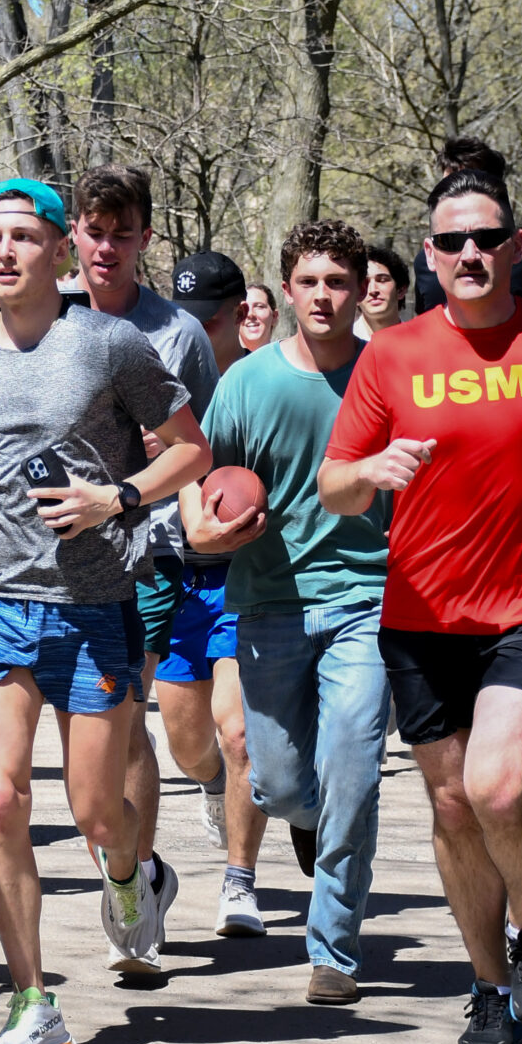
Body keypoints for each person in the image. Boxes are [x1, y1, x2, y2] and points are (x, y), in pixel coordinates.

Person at [319, 142, 522, 1044]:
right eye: (453, 241)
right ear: (427, 251)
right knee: (453, 807)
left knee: (499, 786)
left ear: (514, 243)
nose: (470, 255)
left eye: (487, 238)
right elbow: (336, 481)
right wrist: (370, 470)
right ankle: (490, 986)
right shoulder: (395, 354)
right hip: (421, 613)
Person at [0, 177, 210, 1044]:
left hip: (96, 603)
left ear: (58, 250)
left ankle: (132, 874)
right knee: (0, 796)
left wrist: (116, 496)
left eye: (23, 238)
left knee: (96, 813)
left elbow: (191, 451)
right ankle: (32, 1000)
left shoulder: (110, 344)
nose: (4, 252)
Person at [182, 219, 389, 999]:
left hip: (367, 596)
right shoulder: (247, 382)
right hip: (268, 601)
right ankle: (305, 816)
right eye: (309, 281)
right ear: (287, 288)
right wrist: (205, 527)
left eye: (339, 281)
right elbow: (204, 487)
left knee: (355, 772)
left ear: (360, 288)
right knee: (277, 782)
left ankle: (333, 947)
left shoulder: (386, 376)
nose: (324, 296)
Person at [69, 167, 220, 886]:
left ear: (145, 240)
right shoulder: (44, 318)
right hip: (56, 552)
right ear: (73, 232)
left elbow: (203, 442)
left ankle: (135, 879)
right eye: (94, 233)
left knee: (124, 716)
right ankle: (130, 858)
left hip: (149, 547)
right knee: (86, 735)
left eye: (121, 236)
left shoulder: (178, 333)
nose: (106, 248)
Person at [164, 248, 265, 910]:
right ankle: (210, 787)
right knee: (189, 741)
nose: (198, 331)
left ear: (240, 314)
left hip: (246, 573)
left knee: (236, 732)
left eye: (211, 319)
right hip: (175, 572)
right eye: (188, 317)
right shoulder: (164, 377)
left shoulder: (268, 380)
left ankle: (239, 879)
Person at [356, 244, 410, 338]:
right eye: (365, 283)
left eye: (382, 280)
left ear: (401, 290)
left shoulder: (421, 344)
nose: (373, 290)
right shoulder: (340, 347)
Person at [239, 283, 279, 353]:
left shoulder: (287, 360)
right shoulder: (219, 362)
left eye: (259, 306)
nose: (250, 314)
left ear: (274, 316)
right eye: (243, 308)